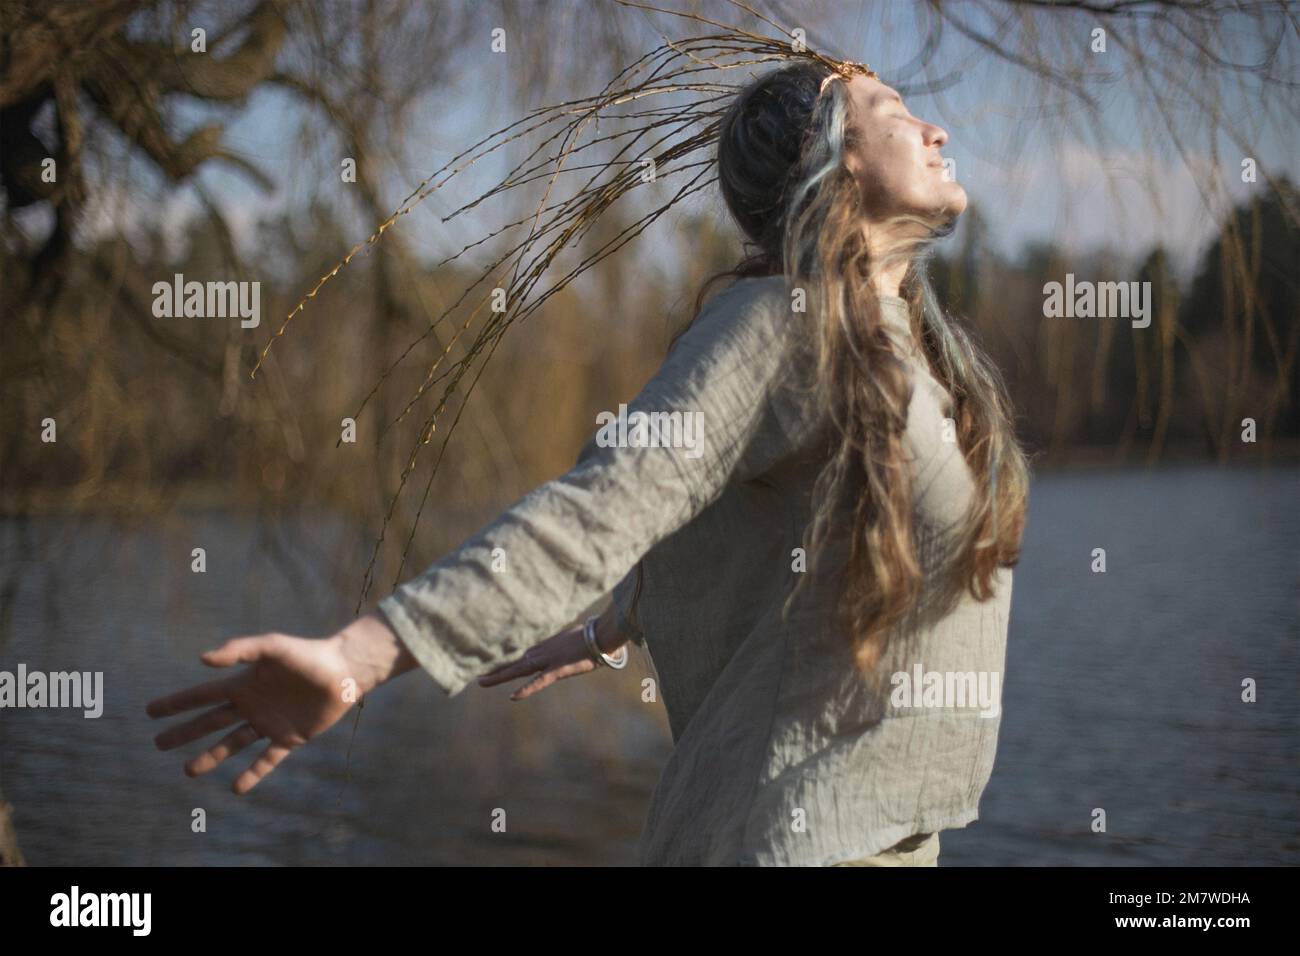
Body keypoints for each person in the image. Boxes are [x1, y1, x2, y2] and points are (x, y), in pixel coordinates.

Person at [146, 60, 1029, 867]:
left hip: (886, 840)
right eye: (894, 111)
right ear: (836, 161)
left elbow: (789, 533)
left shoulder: (901, 345)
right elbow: (606, 505)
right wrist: (363, 652)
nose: (933, 130)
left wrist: (621, 622)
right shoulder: (787, 324)